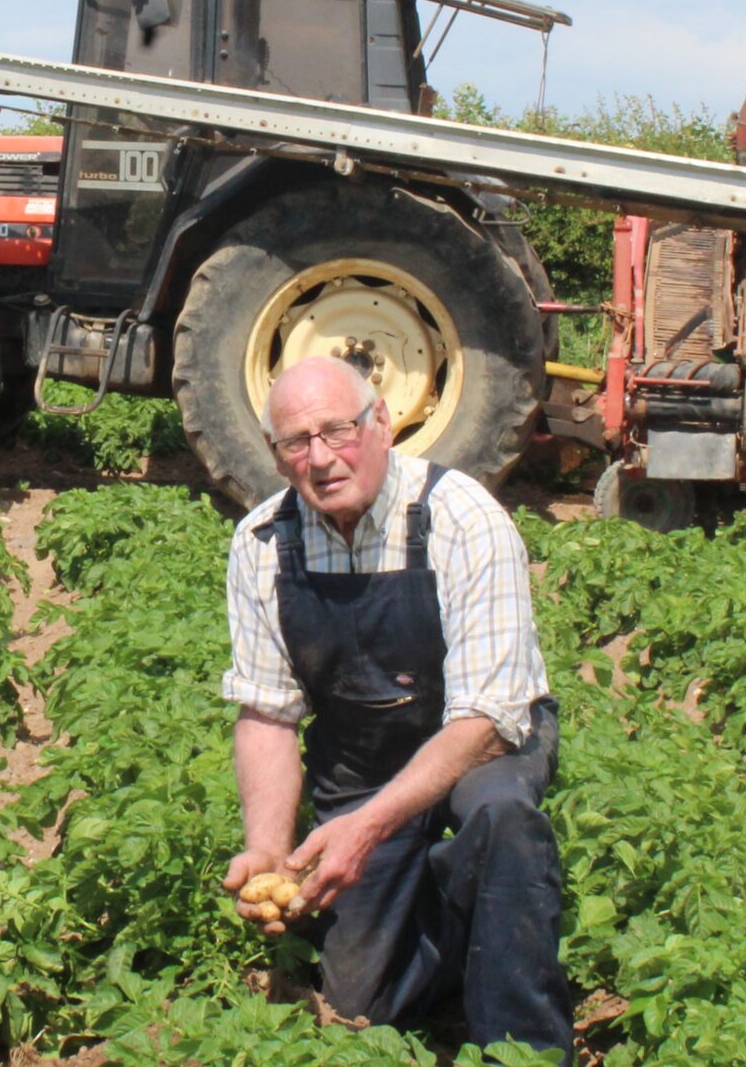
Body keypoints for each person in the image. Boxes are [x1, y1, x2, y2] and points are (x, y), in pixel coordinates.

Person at [219, 355, 570, 1061]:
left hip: (479, 745)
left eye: (338, 430)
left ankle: (524, 1043)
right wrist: (267, 846)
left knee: (500, 819)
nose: (321, 458)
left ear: (382, 422)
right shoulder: (262, 542)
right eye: (297, 442)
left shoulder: (462, 518)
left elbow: (484, 723)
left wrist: (367, 827)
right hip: (365, 753)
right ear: (275, 455)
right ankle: (460, 921)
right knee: (361, 1001)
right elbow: (268, 713)